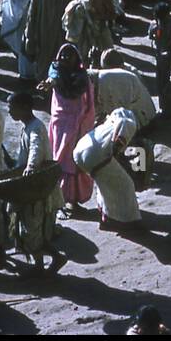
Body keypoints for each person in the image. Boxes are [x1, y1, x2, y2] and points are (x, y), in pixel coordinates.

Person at [5, 91, 66, 275]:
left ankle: (44, 264)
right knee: (33, 230)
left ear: (24, 108)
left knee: (32, 230)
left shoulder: (36, 128)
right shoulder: (27, 127)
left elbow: (36, 148)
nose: (9, 112)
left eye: (11, 108)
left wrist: (30, 167)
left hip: (37, 188)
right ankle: (47, 262)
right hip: (34, 187)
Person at [46, 43, 97, 215]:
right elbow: (52, 83)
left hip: (78, 126)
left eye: (69, 55)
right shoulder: (55, 75)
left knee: (74, 162)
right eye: (63, 55)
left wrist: (84, 124)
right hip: (60, 125)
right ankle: (61, 199)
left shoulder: (82, 79)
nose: (65, 58)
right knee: (59, 160)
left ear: (77, 58)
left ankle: (73, 200)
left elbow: (89, 104)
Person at [74, 109, 143, 232]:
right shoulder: (129, 122)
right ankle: (129, 223)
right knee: (126, 185)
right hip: (95, 155)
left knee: (105, 184)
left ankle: (106, 217)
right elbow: (118, 141)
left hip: (80, 150)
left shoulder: (110, 121)